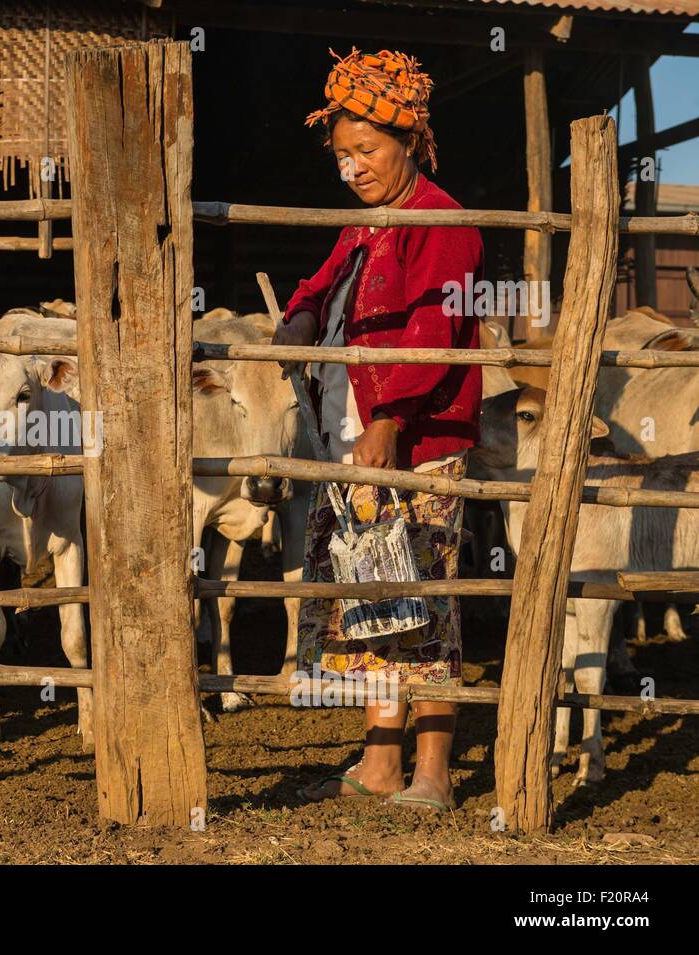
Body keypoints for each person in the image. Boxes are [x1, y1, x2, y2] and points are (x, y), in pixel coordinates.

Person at [273, 47, 484, 812]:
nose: (352, 168)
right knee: (369, 601)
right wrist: (299, 318)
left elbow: (435, 331)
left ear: (409, 140)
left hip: (414, 446)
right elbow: (320, 284)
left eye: (366, 150)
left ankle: (433, 772)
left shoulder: (443, 222)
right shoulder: (366, 225)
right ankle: (380, 763)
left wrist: (391, 418)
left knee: (423, 599)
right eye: (342, 155)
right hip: (350, 442)